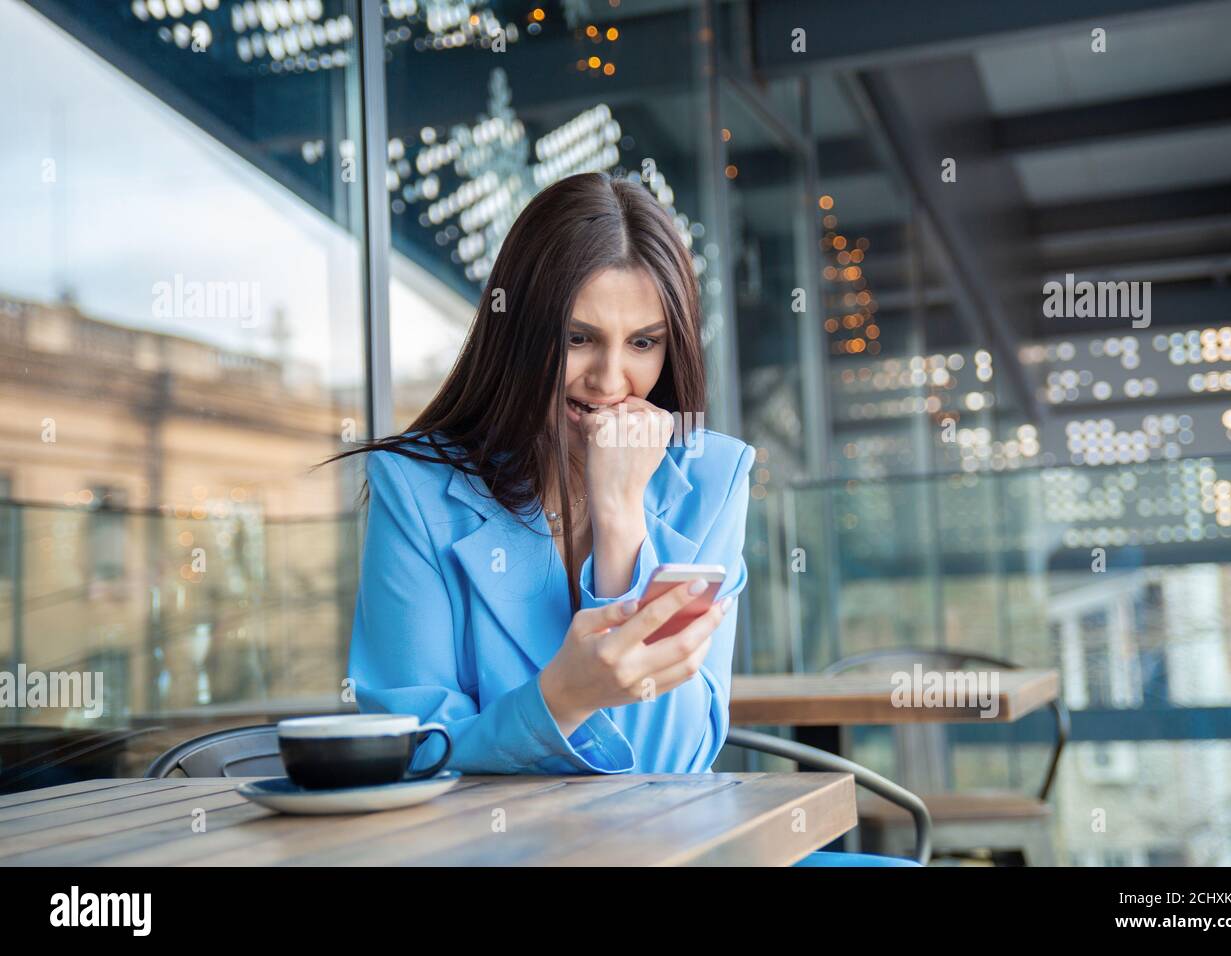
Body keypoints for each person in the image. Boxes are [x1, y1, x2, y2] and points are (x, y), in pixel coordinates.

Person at [334, 171, 917, 866]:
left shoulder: (710, 476)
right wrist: (559, 700)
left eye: (644, 343)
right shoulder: (418, 488)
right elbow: (411, 749)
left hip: (677, 849)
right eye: (579, 338)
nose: (611, 380)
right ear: (518, 333)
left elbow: (679, 759)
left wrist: (621, 522)